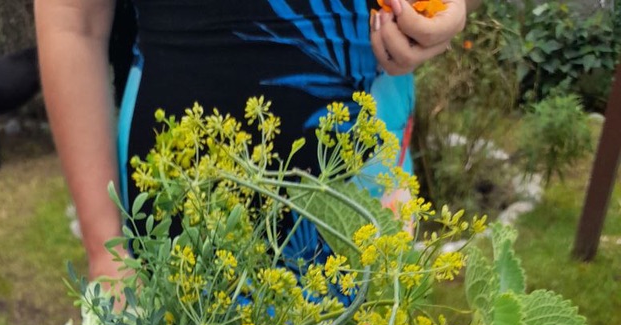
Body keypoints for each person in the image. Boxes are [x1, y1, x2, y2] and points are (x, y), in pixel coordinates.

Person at [34, 0, 480, 286]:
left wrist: (444, 7)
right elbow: (73, 22)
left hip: (362, 175)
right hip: (175, 186)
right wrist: (106, 256)